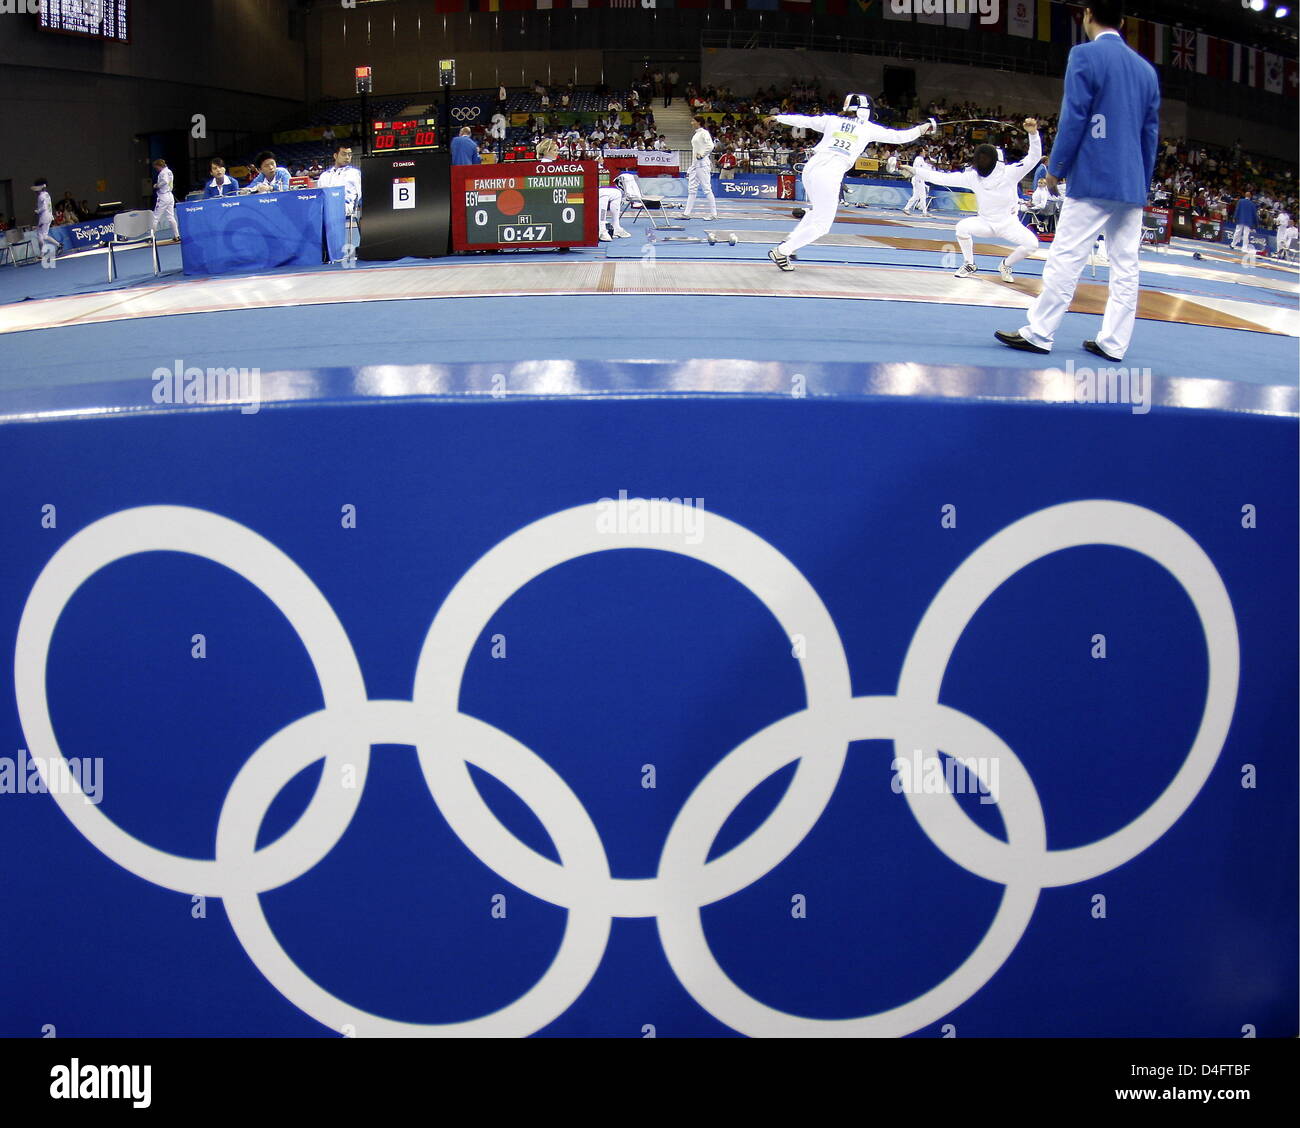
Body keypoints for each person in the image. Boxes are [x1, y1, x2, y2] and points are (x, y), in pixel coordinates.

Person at [996, 1, 1159, 362]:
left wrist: (1056, 168)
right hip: (1131, 184)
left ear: (1087, 15)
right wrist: (1141, 184)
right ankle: (1114, 343)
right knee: (1126, 265)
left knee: (1067, 257)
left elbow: (1075, 115)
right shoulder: (1147, 71)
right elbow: (1150, 135)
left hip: (1094, 177)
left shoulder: (1084, 55)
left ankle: (1040, 333)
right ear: (1123, 21)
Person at [763, 94, 935, 271]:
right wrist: (922, 128)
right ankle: (782, 251)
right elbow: (900, 137)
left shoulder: (832, 120)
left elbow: (805, 121)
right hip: (829, 172)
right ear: (866, 110)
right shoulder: (868, 128)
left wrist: (778, 117)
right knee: (822, 225)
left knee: (816, 212)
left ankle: (790, 241)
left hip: (811, 167)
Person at [919, 120, 1042, 282]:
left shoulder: (1011, 173)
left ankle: (1005, 265)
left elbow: (1034, 158)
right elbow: (942, 178)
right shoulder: (973, 177)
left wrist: (1033, 134)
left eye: (986, 159)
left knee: (1032, 244)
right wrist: (915, 171)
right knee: (962, 228)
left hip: (1009, 224)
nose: (982, 162)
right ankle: (969, 263)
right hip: (985, 223)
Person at [316, 142, 362, 244]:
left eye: (349, 155)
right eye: (344, 154)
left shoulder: (354, 173)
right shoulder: (324, 175)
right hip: (325, 206)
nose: (347, 157)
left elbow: (358, 195)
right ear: (335, 156)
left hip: (345, 206)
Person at [682, 115, 718, 221]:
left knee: (706, 188)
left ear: (698, 122)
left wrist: (702, 154)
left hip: (703, 164)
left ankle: (714, 214)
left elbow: (710, 146)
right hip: (696, 165)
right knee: (692, 189)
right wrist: (691, 168)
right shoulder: (697, 134)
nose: (691, 122)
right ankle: (686, 213)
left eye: (693, 121)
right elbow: (695, 152)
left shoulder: (704, 133)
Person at [149, 158, 180, 240]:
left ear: (159, 166)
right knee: (171, 217)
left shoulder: (163, 173)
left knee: (155, 217)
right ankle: (177, 235)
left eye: (156, 167)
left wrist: (157, 185)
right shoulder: (169, 171)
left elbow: (165, 181)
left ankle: (151, 237)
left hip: (163, 196)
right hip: (170, 195)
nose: (156, 169)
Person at [31, 178, 59, 258]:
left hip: (44, 217)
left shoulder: (41, 196)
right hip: (49, 216)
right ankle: (58, 245)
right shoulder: (47, 194)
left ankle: (42, 254)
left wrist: (37, 211)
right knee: (45, 236)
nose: (35, 192)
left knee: (40, 235)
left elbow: (44, 207)